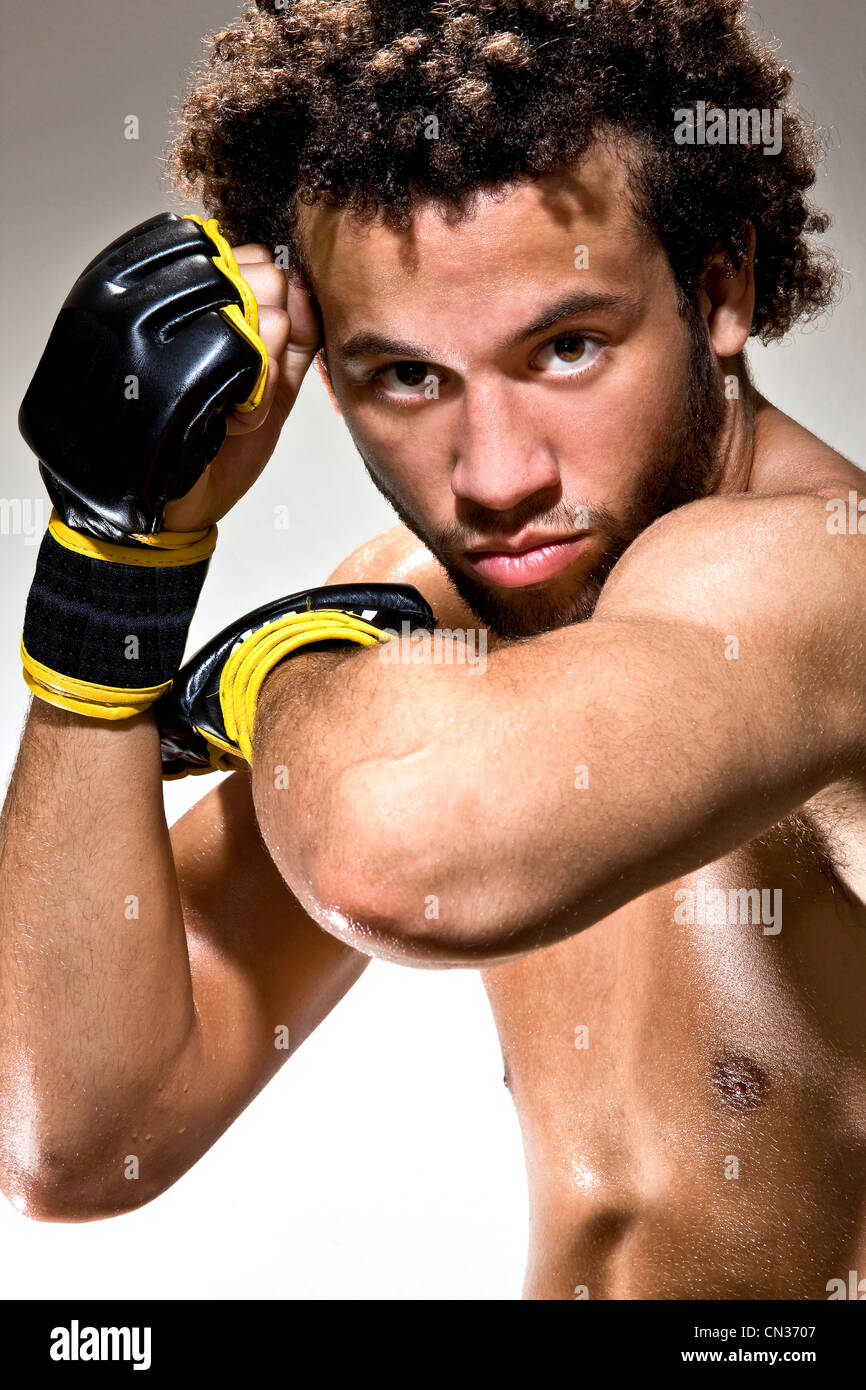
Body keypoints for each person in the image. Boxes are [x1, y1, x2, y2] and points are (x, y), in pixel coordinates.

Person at [1, 0, 864, 1300]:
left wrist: (260, 663)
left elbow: (393, 850)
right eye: (407, 378)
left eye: (566, 349)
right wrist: (112, 566)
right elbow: (76, 1137)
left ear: (720, 286)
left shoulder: (822, 573)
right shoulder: (411, 634)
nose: (495, 477)